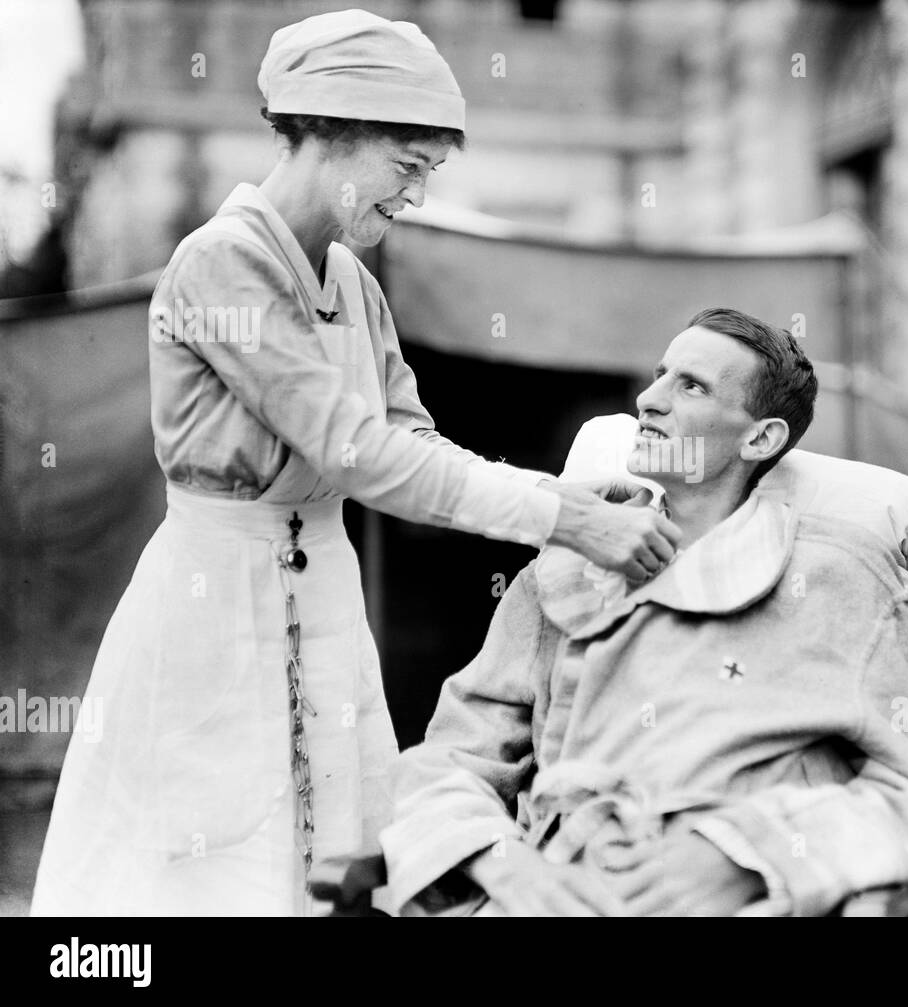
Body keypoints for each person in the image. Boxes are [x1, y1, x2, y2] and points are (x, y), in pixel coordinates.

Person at [31, 9, 678, 917]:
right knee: (206, 861)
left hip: (324, 597)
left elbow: (410, 440)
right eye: (406, 168)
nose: (414, 195)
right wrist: (568, 520)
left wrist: (560, 493)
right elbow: (355, 451)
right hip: (214, 600)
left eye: (427, 173)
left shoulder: (355, 284)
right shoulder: (220, 265)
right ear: (332, 136)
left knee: (332, 861)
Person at [380, 308, 908, 917]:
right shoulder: (563, 573)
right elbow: (451, 761)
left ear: (761, 438)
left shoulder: (837, 578)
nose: (648, 399)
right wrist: (509, 868)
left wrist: (738, 858)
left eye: (691, 386)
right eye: (660, 374)